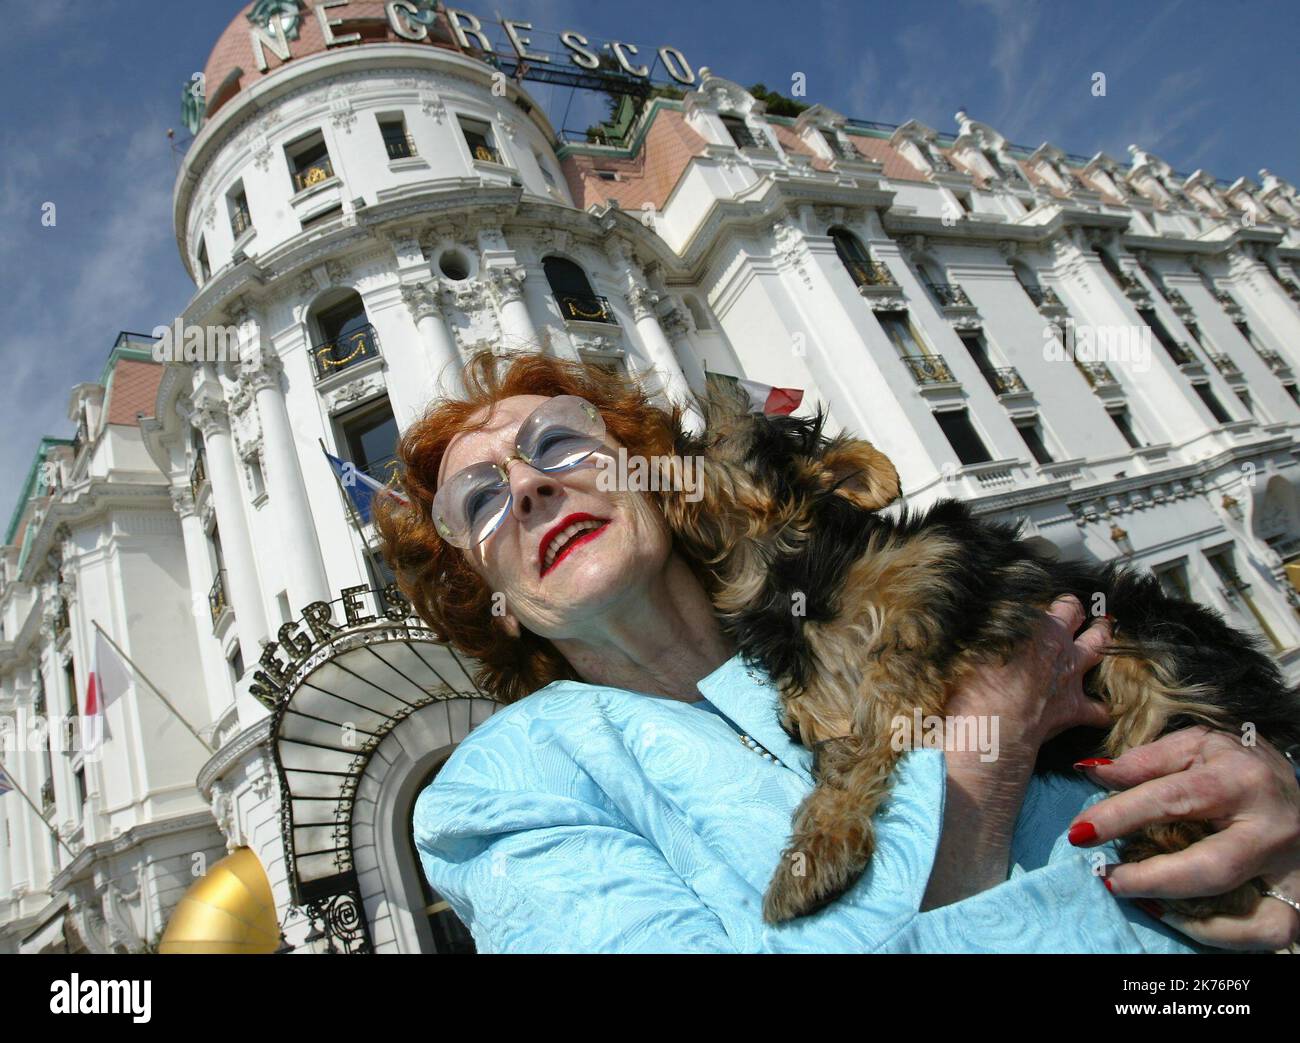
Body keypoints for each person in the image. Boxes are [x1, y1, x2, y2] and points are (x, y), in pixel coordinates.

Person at [376, 349, 1300, 954]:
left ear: (655, 481)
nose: (532, 484)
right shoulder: (499, 791)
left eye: (561, 444)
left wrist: (1280, 833)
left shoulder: (852, 605)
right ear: (489, 602)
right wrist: (981, 762)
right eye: (482, 501)